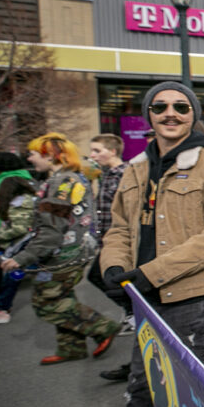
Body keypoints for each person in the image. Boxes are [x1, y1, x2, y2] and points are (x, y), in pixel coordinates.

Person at [97, 81, 204, 407]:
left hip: (194, 297)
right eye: (160, 106)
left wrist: (152, 273)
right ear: (149, 115)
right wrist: (112, 264)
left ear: (193, 114)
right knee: (143, 387)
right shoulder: (135, 168)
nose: (170, 113)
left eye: (181, 107)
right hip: (146, 301)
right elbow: (118, 228)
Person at [0, 134, 119, 364]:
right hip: (69, 251)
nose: (30, 158)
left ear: (51, 156)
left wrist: (22, 258)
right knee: (63, 297)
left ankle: (103, 327)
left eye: (33, 154)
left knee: (47, 303)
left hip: (64, 254)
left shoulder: (62, 182)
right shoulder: (67, 179)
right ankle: (71, 348)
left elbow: (52, 228)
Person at [84, 134, 134, 335]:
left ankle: (134, 311)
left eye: (97, 150)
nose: (92, 155)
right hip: (107, 239)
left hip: (120, 240)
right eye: (92, 150)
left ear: (113, 151)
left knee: (99, 275)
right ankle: (132, 311)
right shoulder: (106, 174)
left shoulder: (125, 174)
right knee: (106, 277)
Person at [0, 152, 36, 324]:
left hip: (15, 238)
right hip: (14, 236)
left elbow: (20, 224)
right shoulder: (27, 179)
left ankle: (2, 308)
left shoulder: (9, 182)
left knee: (12, 273)